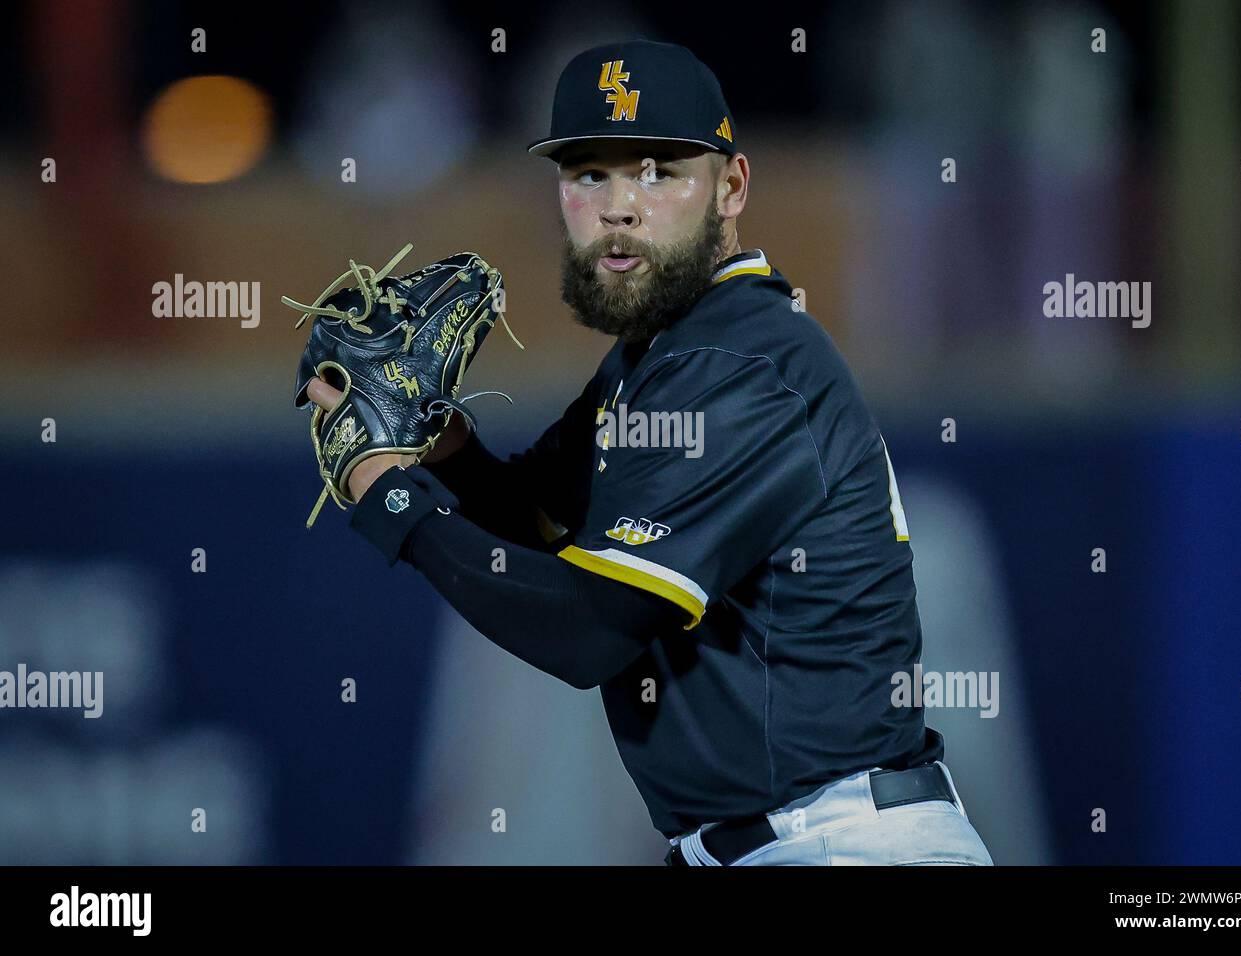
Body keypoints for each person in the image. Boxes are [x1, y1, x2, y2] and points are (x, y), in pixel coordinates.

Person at [305, 39, 993, 866]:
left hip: (842, 844)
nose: (619, 205)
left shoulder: (742, 368)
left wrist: (388, 497)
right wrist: (439, 440)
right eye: (589, 173)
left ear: (731, 187)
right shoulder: (667, 358)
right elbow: (534, 524)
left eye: (659, 170)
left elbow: (588, 629)